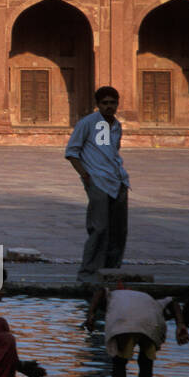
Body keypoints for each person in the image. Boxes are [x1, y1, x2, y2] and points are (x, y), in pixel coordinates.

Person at [82, 284, 188, 377]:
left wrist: (91, 313)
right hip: (151, 322)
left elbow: (100, 290)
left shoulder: (113, 295)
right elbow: (173, 302)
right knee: (146, 365)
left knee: (119, 363)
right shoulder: (149, 300)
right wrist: (181, 324)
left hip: (125, 320)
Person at [66, 85, 130, 281]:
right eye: (105, 103)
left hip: (118, 180)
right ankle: (88, 273)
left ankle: (111, 270)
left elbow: (113, 152)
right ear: (98, 105)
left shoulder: (116, 125)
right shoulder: (88, 123)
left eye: (112, 103)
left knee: (119, 231)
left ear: (117, 104)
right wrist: (86, 176)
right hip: (97, 181)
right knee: (99, 228)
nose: (109, 107)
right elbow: (72, 152)